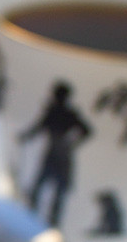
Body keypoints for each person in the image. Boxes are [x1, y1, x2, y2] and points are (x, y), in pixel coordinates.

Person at [18, 80, 92, 227]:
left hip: (59, 155)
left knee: (52, 189)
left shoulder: (63, 113)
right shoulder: (59, 112)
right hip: (57, 154)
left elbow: (87, 131)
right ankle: (36, 220)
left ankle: (48, 222)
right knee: (45, 188)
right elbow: (38, 128)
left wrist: (72, 143)